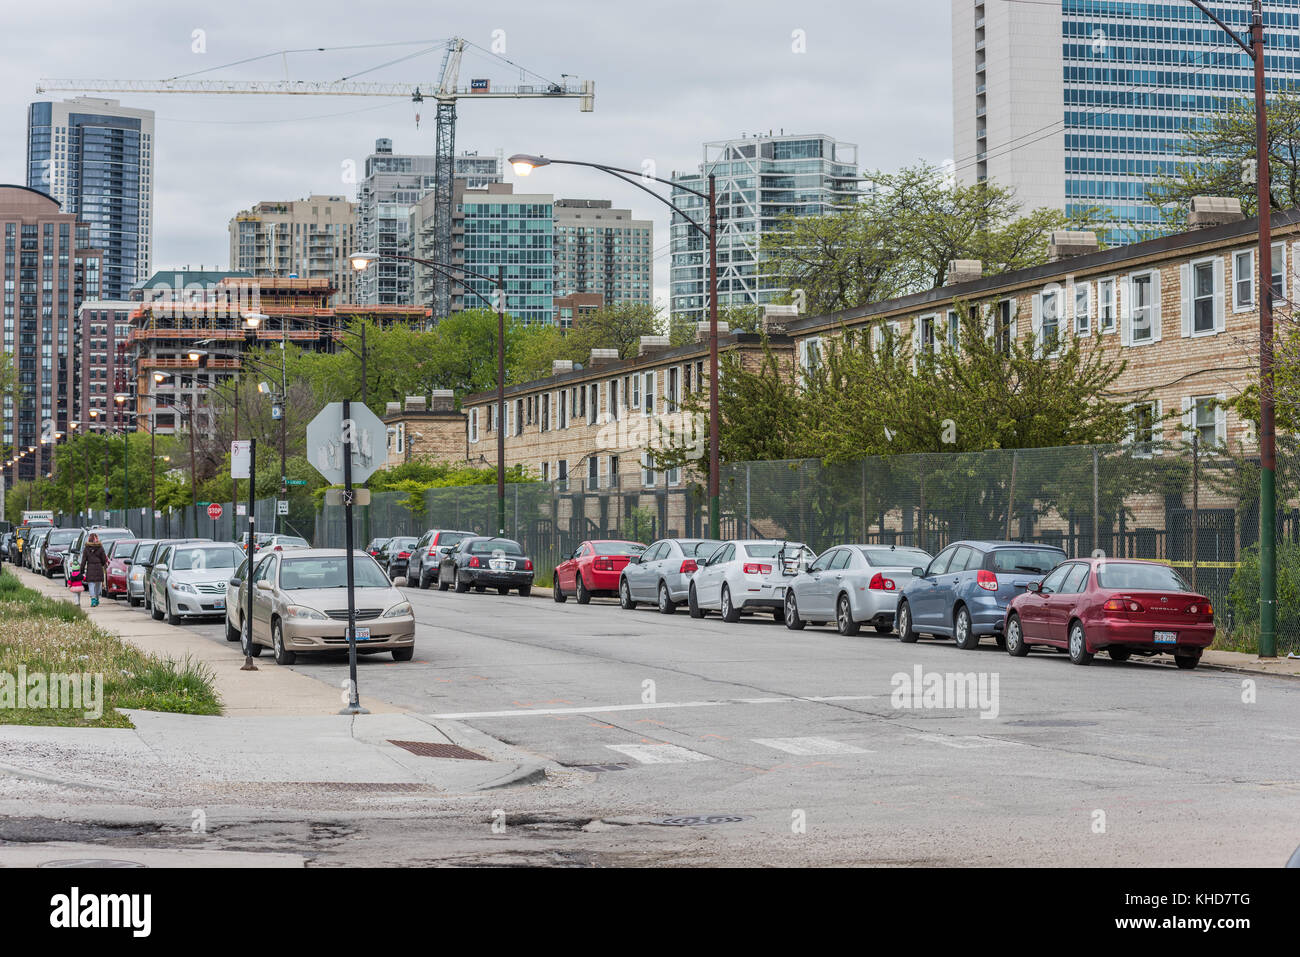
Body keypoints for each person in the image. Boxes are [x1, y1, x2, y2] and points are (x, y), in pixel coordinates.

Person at [81, 533, 108, 607]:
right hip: (99, 568)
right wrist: (103, 565)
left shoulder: (86, 548)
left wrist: (82, 570)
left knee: (91, 585)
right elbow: (104, 559)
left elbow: (83, 560)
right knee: (98, 585)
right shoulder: (100, 547)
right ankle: (97, 598)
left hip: (90, 568)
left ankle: (93, 599)